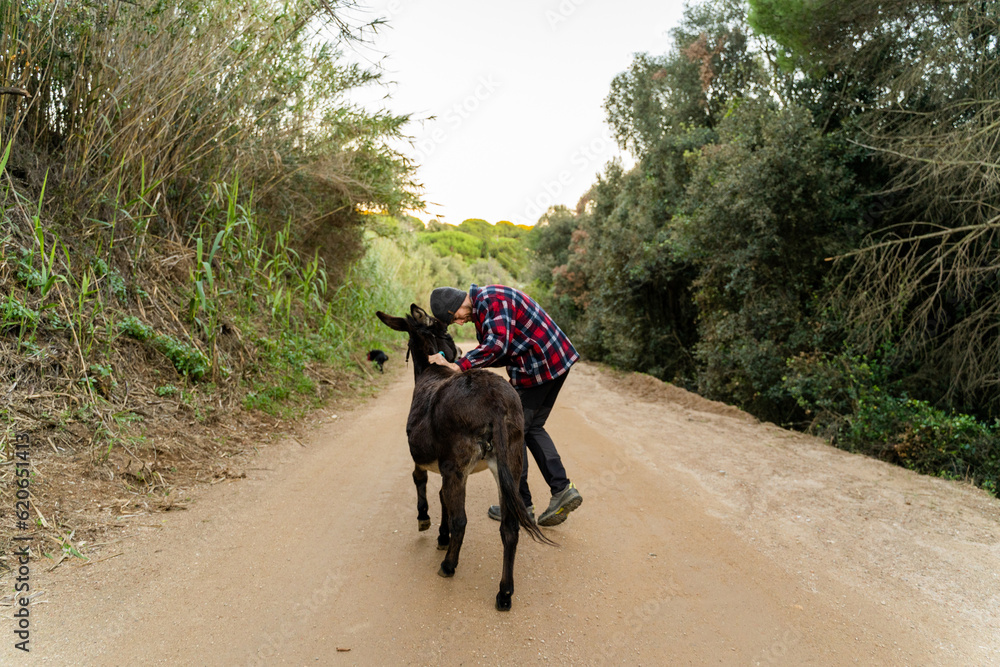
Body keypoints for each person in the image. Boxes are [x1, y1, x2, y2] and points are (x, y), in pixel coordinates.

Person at [427, 284, 583, 526]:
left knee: (512, 433)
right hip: (553, 361)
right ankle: (562, 489)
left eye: (454, 318)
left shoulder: (491, 301)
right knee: (533, 428)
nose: (458, 323)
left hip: (540, 365)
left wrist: (458, 367)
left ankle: (520, 505)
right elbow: (501, 352)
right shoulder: (484, 308)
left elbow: (498, 345)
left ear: (455, 306)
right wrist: (459, 362)